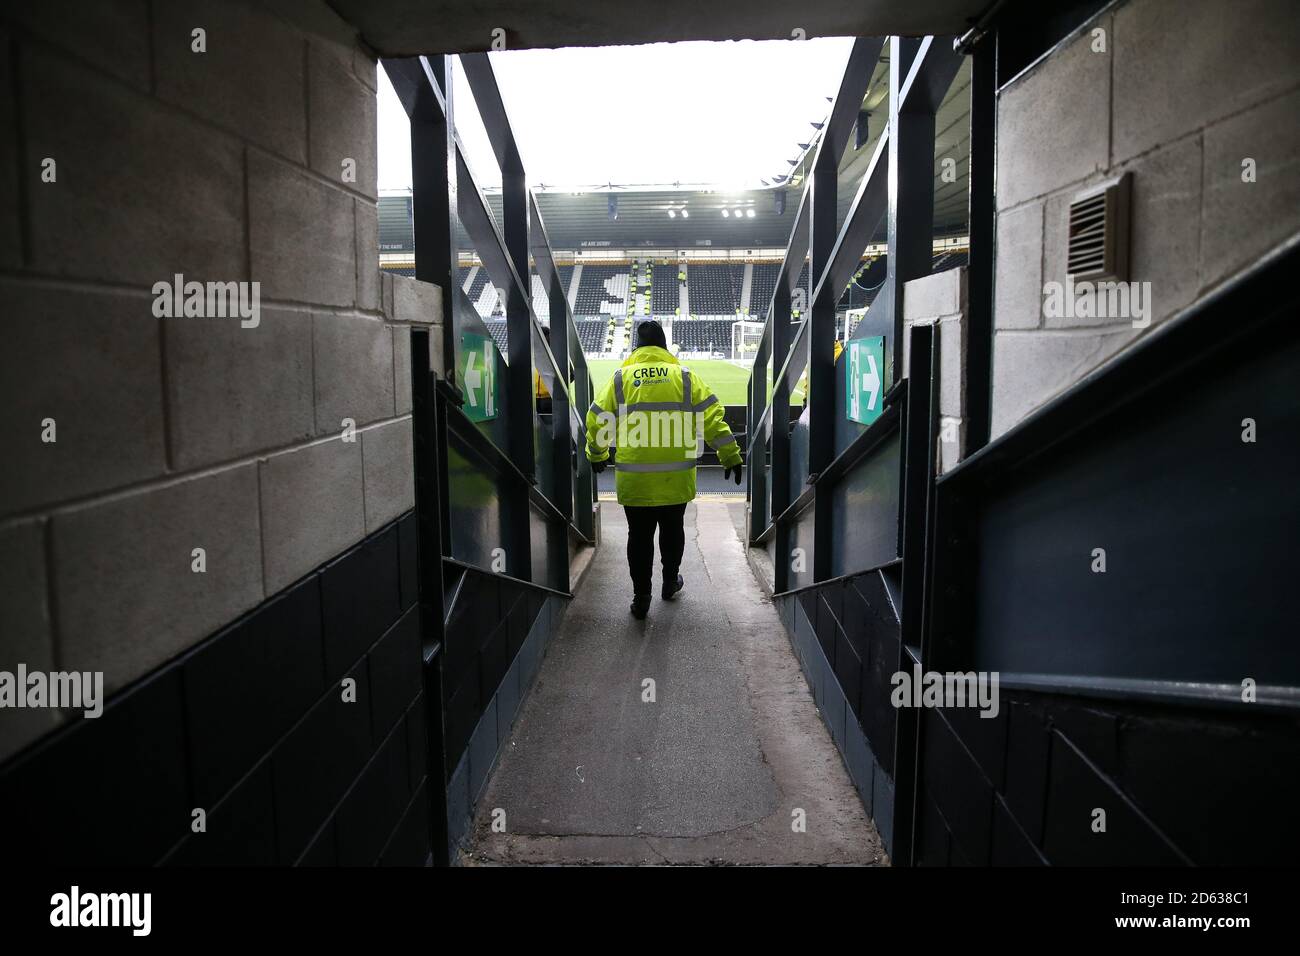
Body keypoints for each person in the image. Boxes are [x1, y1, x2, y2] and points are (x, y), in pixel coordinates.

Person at [585, 320, 742, 620]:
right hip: (676, 479)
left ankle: (641, 596)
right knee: (673, 531)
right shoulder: (684, 376)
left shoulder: (621, 379)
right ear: (664, 347)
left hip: (635, 482)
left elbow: (597, 421)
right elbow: (712, 418)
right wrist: (730, 454)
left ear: (636, 348)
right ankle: (670, 581)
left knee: (639, 537)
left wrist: (597, 454)